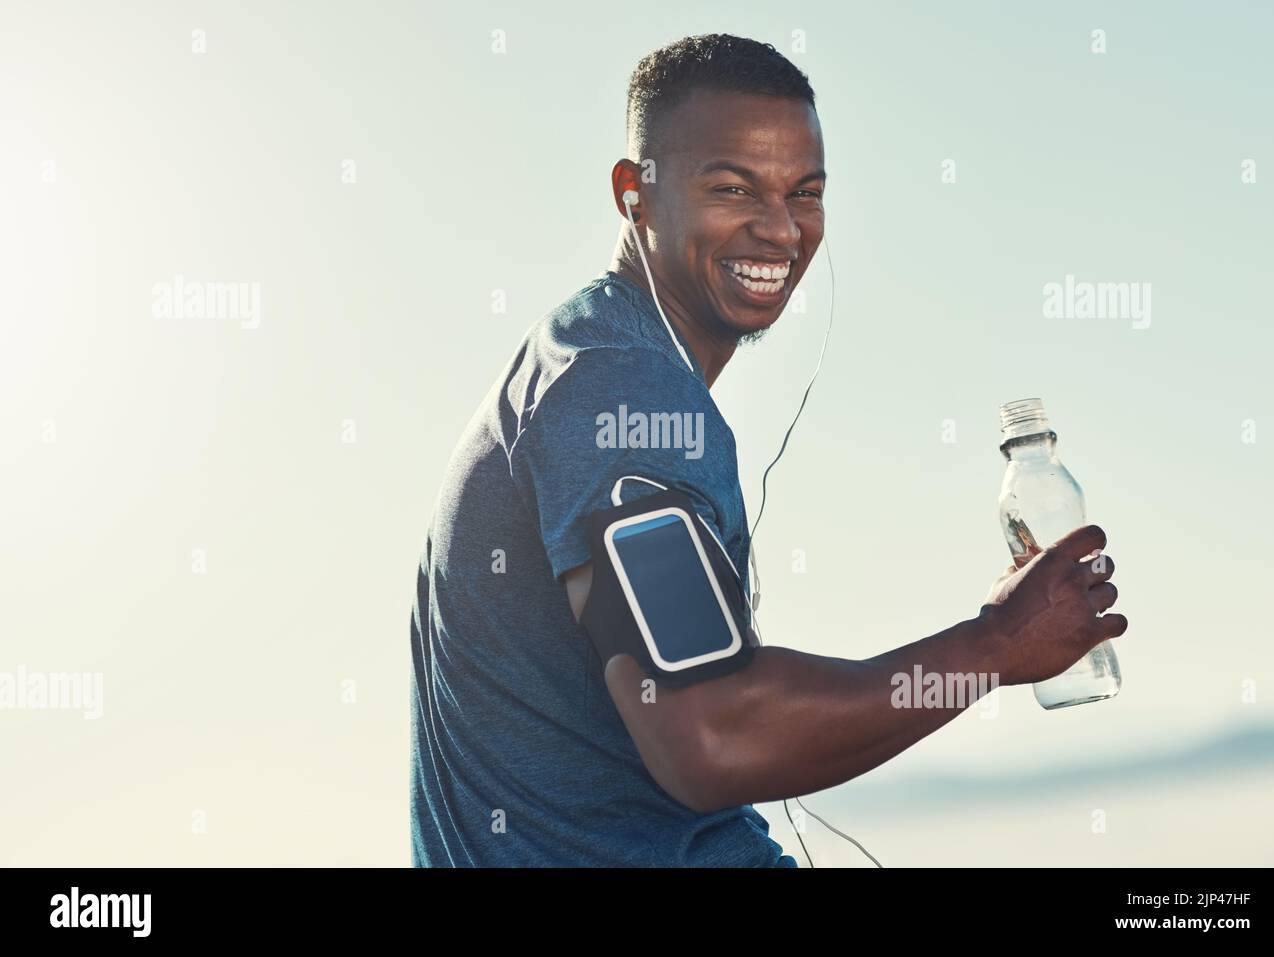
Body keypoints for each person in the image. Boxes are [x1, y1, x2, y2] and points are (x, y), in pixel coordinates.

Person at [409, 33, 1127, 867]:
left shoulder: (589, 360)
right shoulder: (621, 390)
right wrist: (994, 645)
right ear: (634, 192)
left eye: (805, 193)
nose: (781, 229)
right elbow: (712, 731)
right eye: (733, 187)